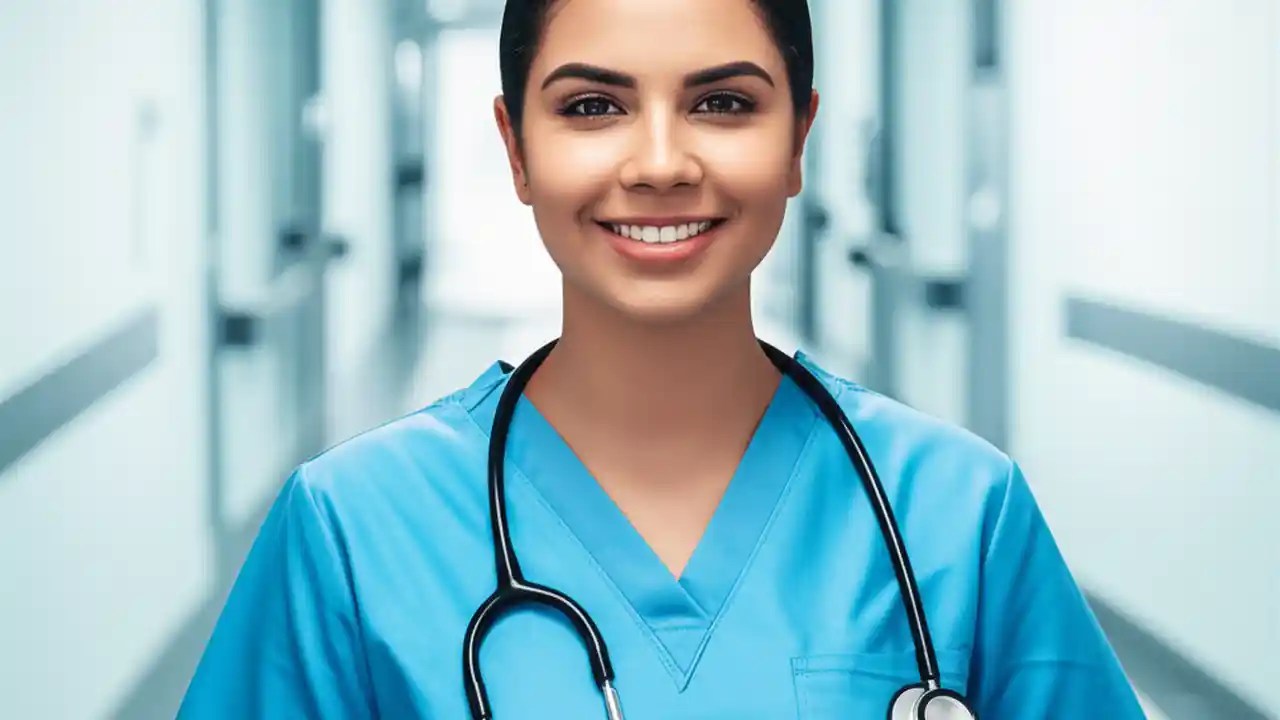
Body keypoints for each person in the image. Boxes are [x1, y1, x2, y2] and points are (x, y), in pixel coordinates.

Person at [179, 0, 1147, 717]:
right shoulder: (351, 533)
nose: (657, 163)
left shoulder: (960, 520)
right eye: (592, 107)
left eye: (722, 103)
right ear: (514, 149)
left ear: (797, 138)